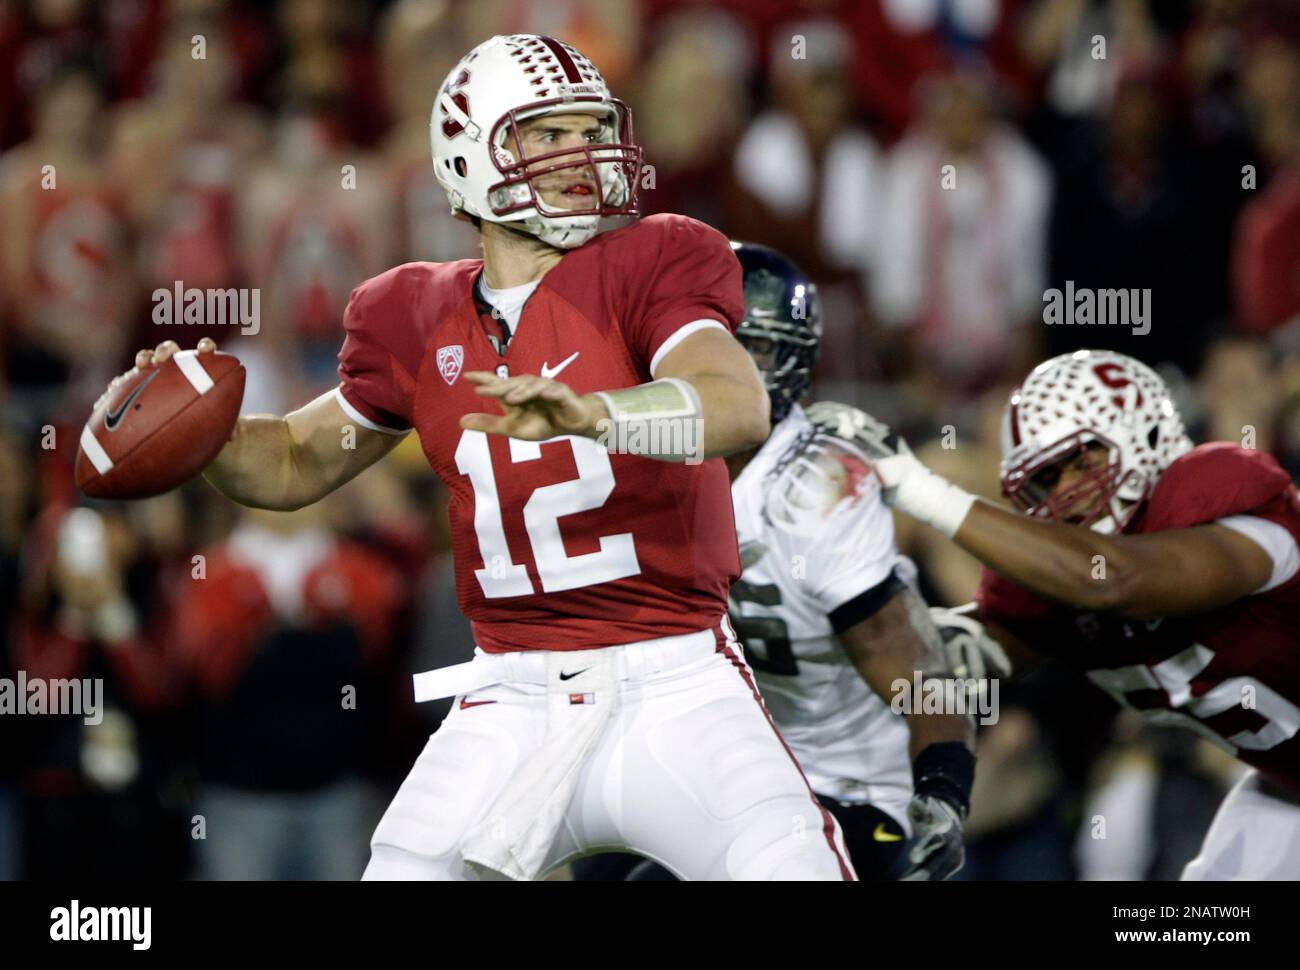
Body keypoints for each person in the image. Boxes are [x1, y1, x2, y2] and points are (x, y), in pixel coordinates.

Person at [115, 34, 853, 881]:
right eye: (547, 134)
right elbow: (289, 465)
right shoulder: (410, 314)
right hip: (509, 693)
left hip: (676, 680)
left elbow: (734, 404)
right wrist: (192, 429)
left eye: (590, 130)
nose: (581, 154)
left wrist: (597, 414)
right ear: (472, 153)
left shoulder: (657, 258)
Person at [575, 243, 989, 883]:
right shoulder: (638, 462)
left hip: (843, 787)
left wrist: (941, 790)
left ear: (789, 364)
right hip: (717, 771)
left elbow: (912, 661)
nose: (722, 374)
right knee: (582, 854)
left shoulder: (813, 492)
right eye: (709, 350)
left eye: (749, 352)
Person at [814, 349, 1300, 879]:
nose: (1067, 493)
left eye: (1082, 461)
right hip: (1283, 785)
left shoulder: (1232, 511)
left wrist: (918, 488)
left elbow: (1117, 579)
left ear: (1145, 432)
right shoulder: (1059, 586)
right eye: (1046, 480)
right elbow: (964, 658)